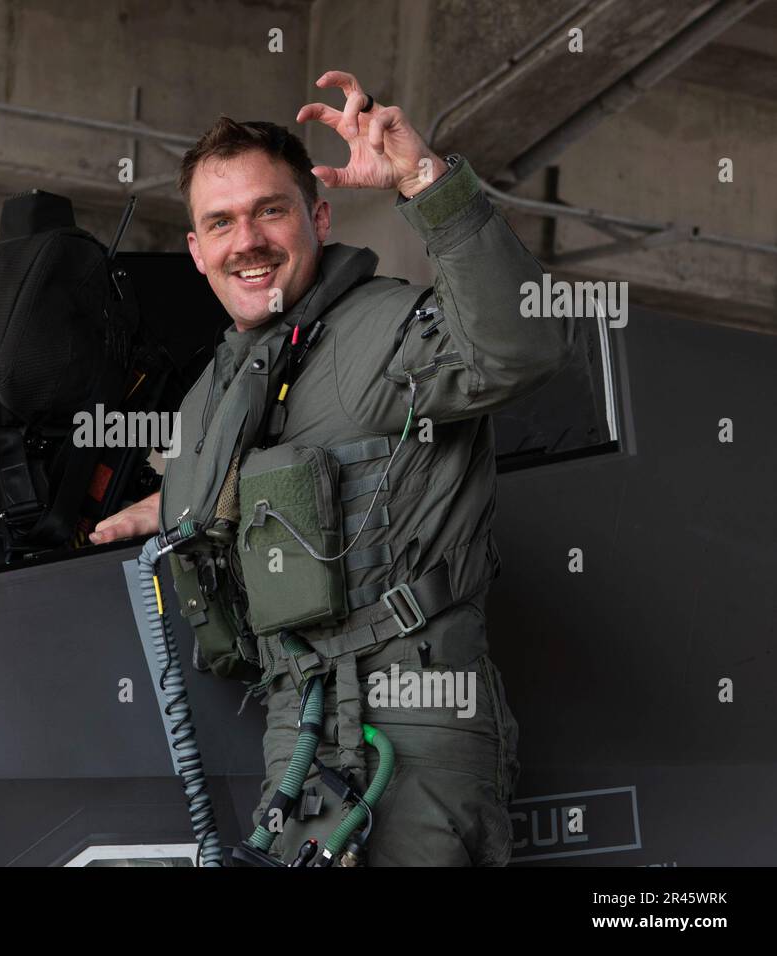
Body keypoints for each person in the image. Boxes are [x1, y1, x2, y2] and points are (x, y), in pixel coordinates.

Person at [90, 70, 576, 865]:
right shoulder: (208, 398)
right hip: (293, 731)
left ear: (317, 215)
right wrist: (171, 501)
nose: (244, 240)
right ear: (196, 249)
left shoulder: (383, 326)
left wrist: (424, 180)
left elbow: (523, 347)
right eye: (220, 222)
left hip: (412, 715)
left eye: (268, 211)